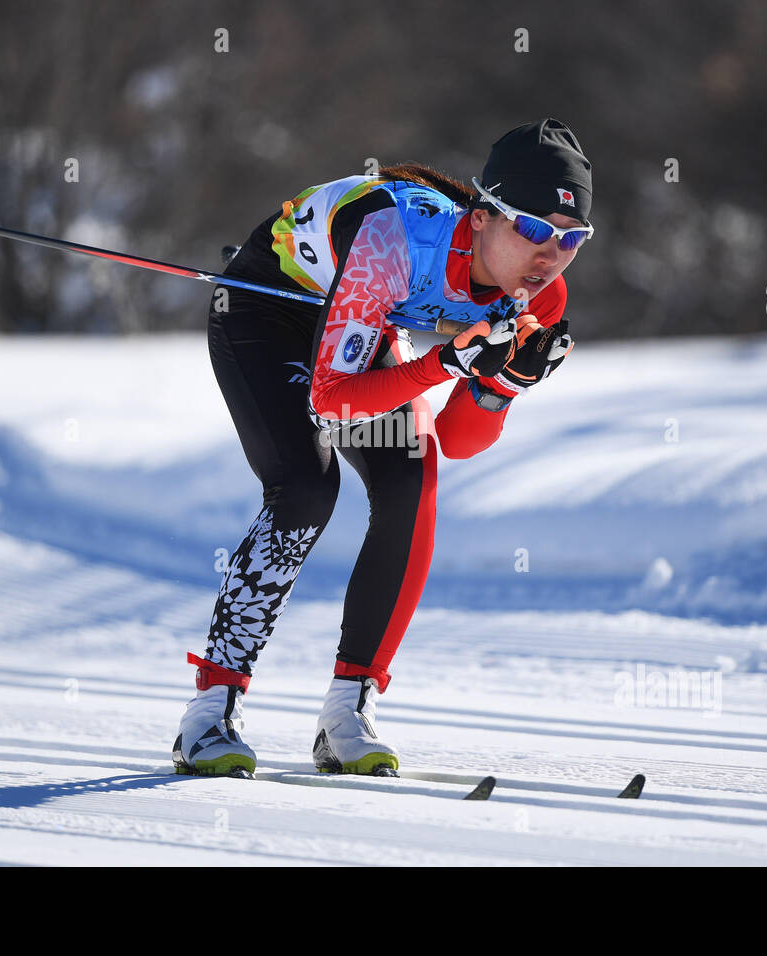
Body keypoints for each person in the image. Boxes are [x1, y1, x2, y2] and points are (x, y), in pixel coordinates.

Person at [173, 118, 593, 777]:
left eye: (572, 239)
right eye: (534, 229)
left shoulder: (539, 292)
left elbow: (457, 439)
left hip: (365, 325)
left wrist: (505, 383)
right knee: (306, 489)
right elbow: (332, 400)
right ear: (482, 217)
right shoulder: (394, 241)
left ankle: (350, 708)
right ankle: (212, 708)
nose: (551, 255)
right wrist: (449, 364)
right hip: (269, 312)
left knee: (412, 479)